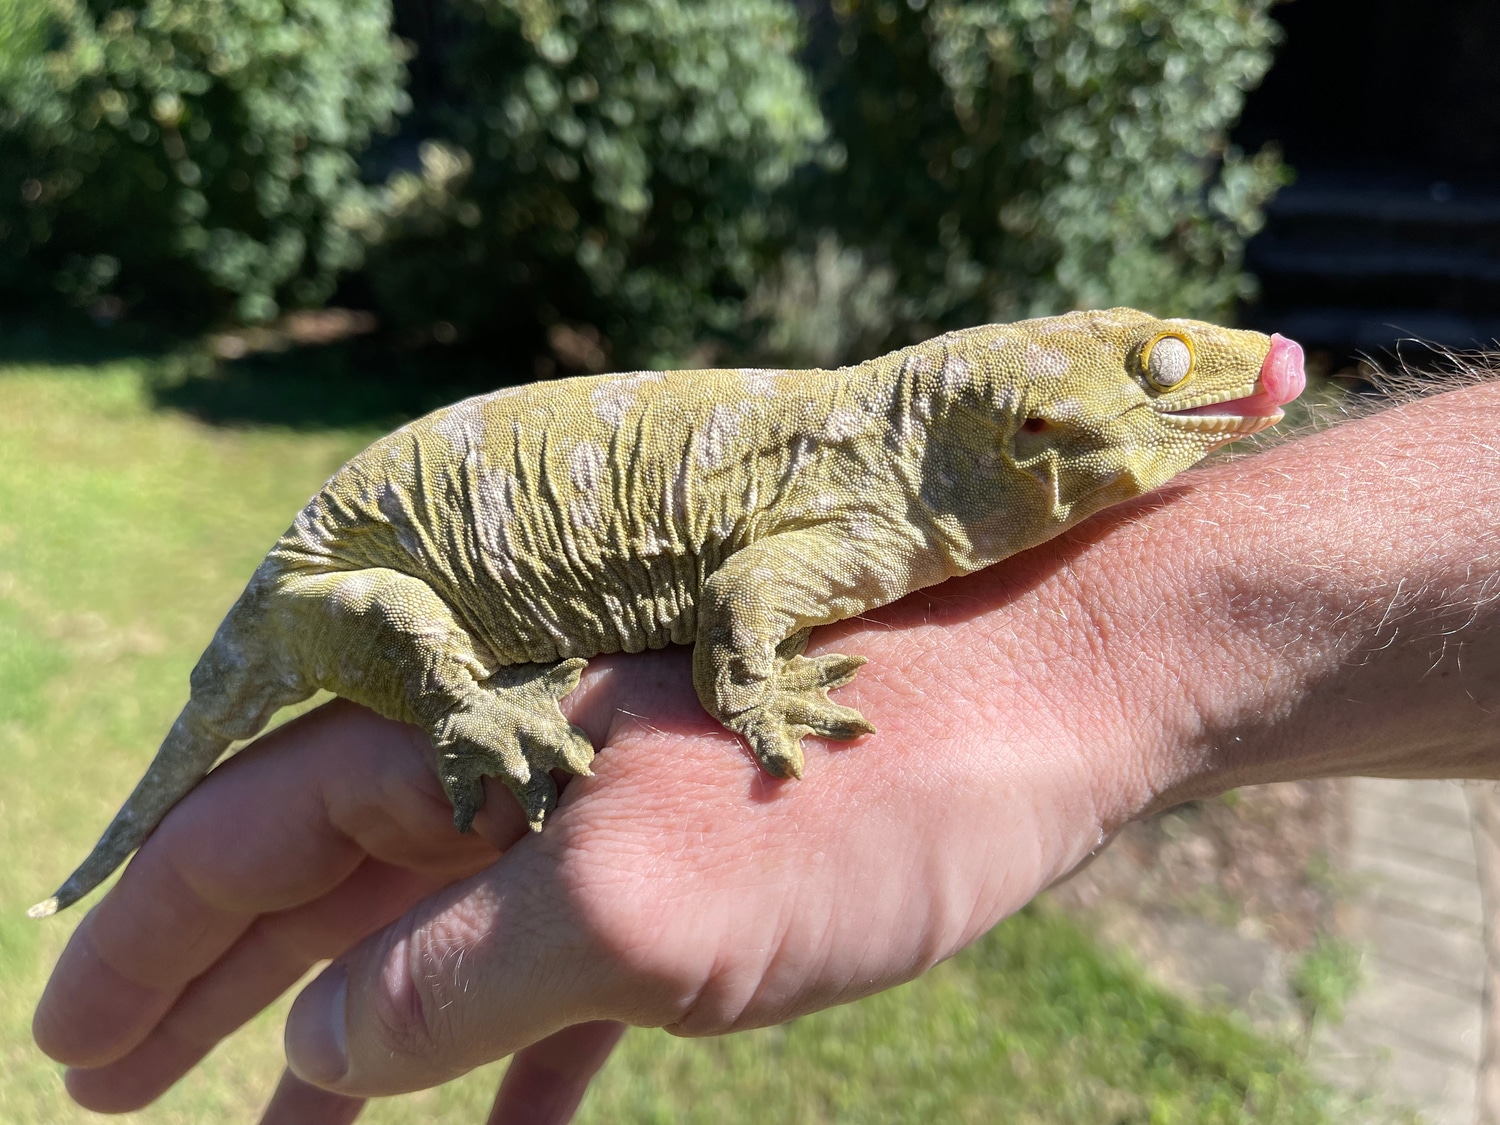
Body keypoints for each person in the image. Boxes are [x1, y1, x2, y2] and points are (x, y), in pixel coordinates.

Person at [32, 377, 1500, 1125]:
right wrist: (722, 701)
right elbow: (746, 602)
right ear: (1027, 420)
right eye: (1148, 368)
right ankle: (463, 704)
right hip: (350, 586)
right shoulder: (866, 485)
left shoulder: (886, 462)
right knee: (433, 663)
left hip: (414, 564)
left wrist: (1111, 676)